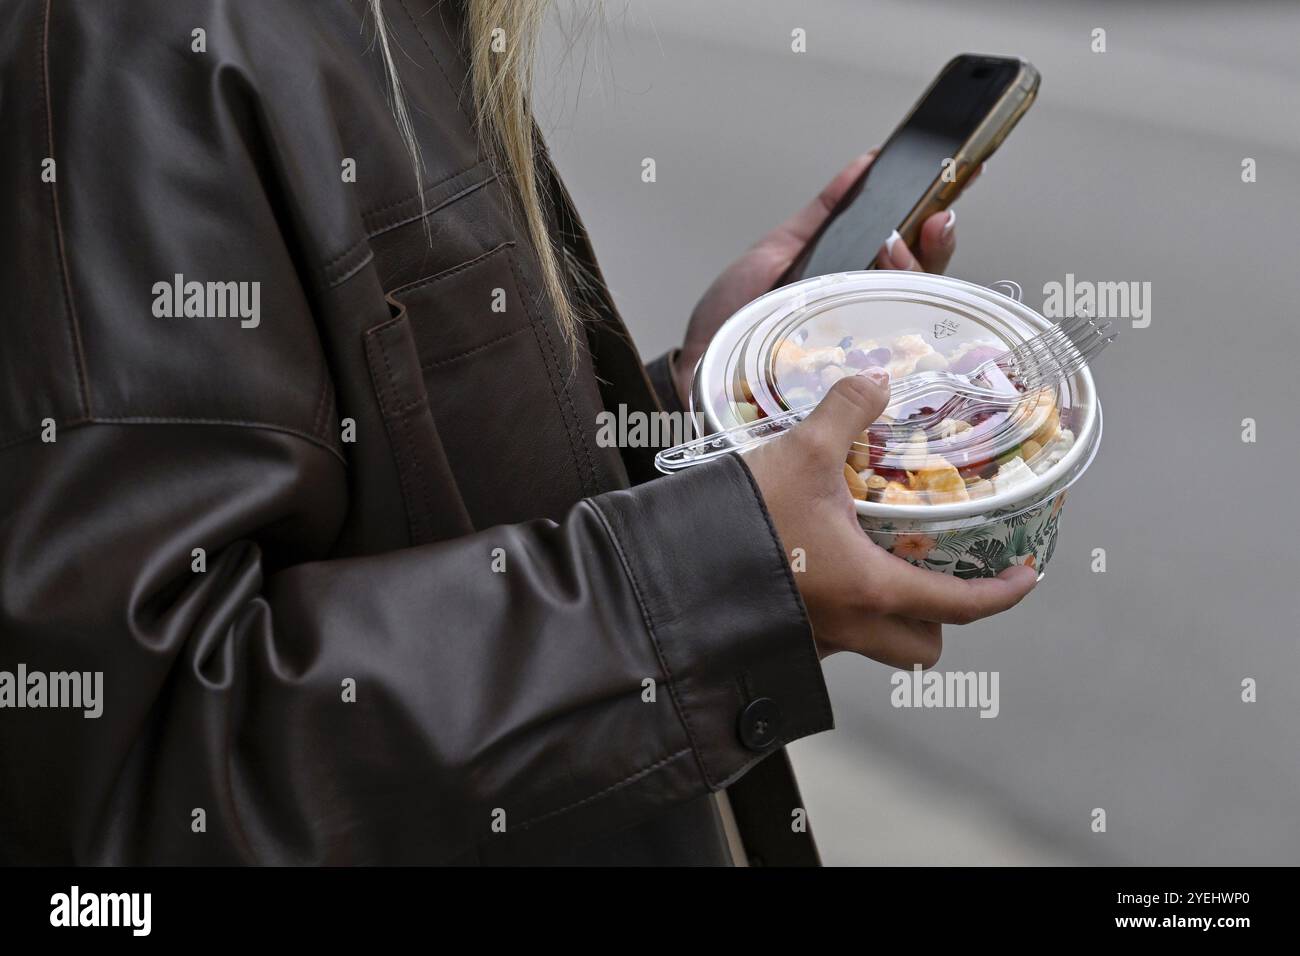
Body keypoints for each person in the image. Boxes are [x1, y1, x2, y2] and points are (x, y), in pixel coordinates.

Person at [0, 0, 1035, 865]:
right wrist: (719, 576)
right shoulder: (136, 37)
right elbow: (127, 783)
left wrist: (704, 417)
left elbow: (430, 490)